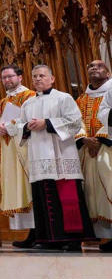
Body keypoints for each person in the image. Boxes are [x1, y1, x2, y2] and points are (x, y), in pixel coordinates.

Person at [14, 64, 95, 250]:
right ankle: (49, 240)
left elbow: (75, 123)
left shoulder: (63, 98)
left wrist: (47, 123)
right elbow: (18, 126)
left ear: (52, 79)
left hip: (62, 156)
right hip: (39, 158)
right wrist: (26, 127)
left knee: (67, 199)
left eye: (42, 75)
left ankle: (73, 240)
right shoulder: (27, 104)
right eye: (35, 76)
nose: (37, 79)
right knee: (44, 198)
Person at [0, 64, 36, 247]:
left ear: (20, 77)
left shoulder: (30, 97)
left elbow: (29, 118)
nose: (7, 80)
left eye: (10, 76)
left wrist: (8, 126)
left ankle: (38, 232)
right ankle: (31, 233)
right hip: (9, 153)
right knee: (17, 187)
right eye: (4, 77)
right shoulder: (1, 102)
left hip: (25, 150)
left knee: (29, 188)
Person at [75, 60, 112, 251]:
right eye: (90, 66)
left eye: (99, 66)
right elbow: (76, 121)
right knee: (91, 192)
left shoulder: (110, 93)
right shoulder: (81, 100)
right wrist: (84, 139)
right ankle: (96, 234)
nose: (94, 68)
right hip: (87, 151)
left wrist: (99, 139)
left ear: (108, 73)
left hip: (107, 148)